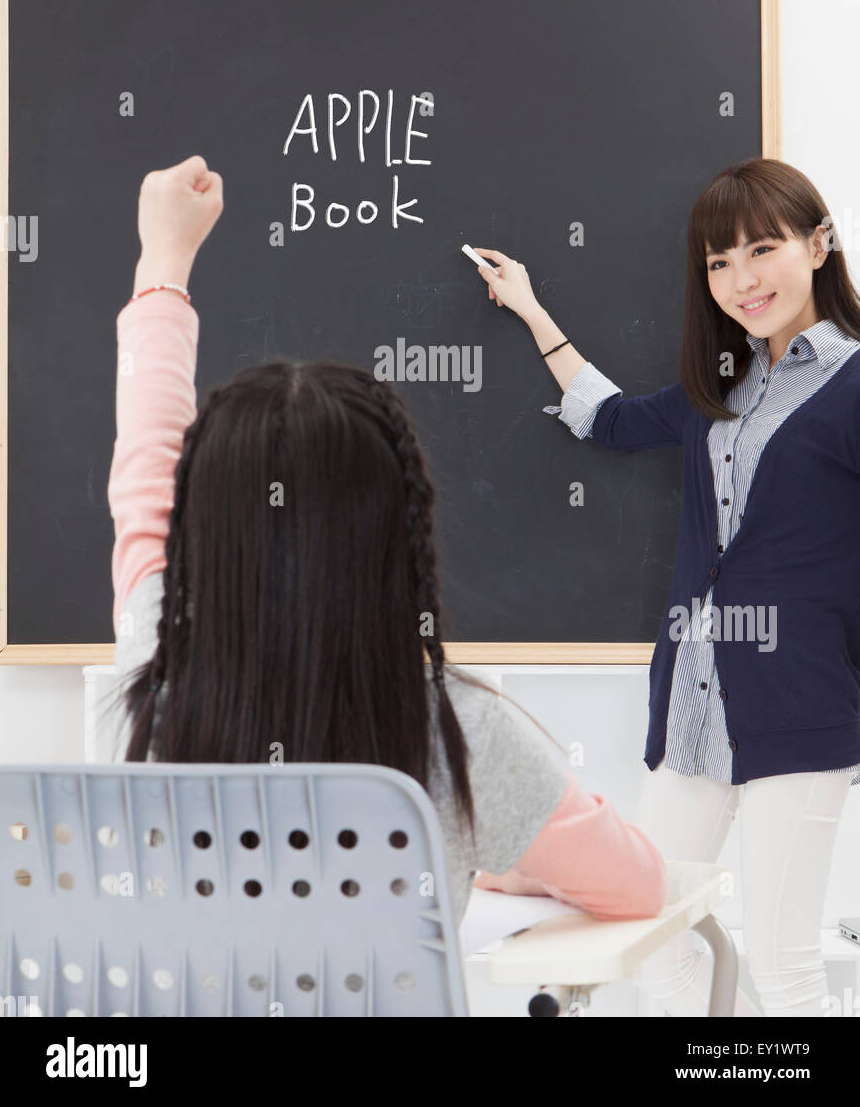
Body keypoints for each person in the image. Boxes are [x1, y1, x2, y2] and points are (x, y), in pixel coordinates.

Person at [107, 154, 666, 933]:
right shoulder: (460, 735)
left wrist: (163, 259)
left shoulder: (149, 680)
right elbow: (639, 888)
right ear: (398, 534)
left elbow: (145, 463)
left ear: (201, 519)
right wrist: (495, 846)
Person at [471, 156, 860, 1016]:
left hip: (800, 710)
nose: (741, 279)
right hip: (694, 705)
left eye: (762, 250)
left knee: (786, 966)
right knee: (646, 936)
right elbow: (609, 419)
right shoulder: (721, 388)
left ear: (820, 244)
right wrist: (533, 309)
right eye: (719, 263)